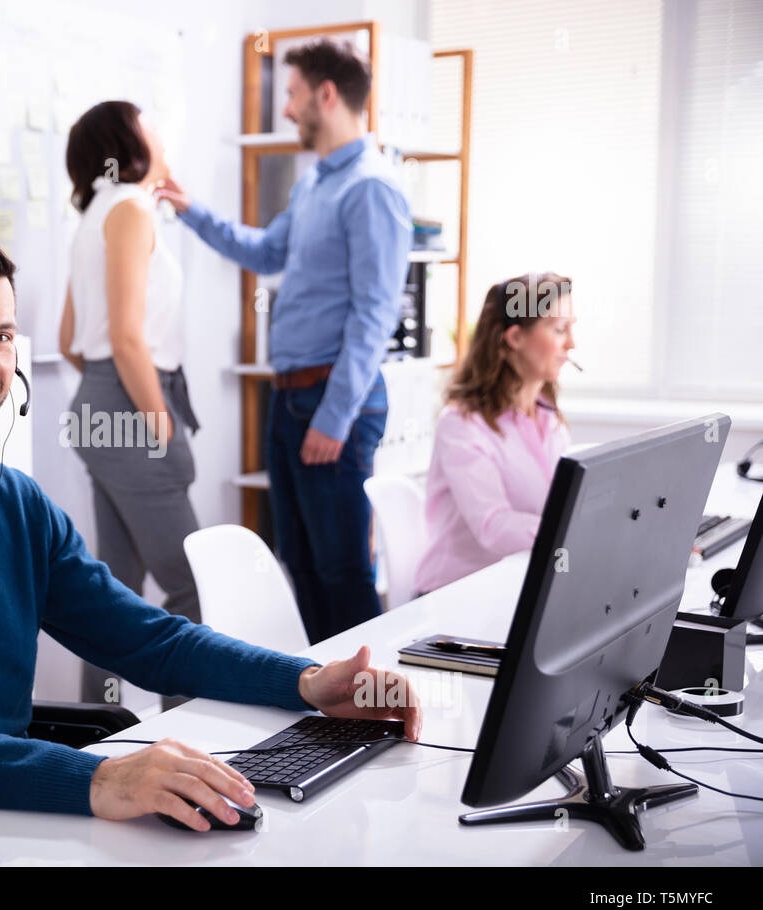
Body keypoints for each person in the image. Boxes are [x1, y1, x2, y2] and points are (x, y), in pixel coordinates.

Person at [0, 229, 421, 832]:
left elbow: (146, 638)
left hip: (9, 822)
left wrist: (308, 682)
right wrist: (100, 778)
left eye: (3, 335)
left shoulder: (14, 503)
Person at [156, 38, 412, 643]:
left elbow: (375, 314)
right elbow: (265, 251)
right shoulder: (314, 183)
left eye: (293, 95)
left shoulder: (372, 187)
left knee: (343, 570)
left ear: (327, 95)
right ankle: (331, 709)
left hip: (332, 400)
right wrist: (190, 210)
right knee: (299, 564)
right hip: (292, 397)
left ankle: (372, 706)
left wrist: (335, 416)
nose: (288, 110)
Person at [60, 100, 198, 707]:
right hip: (132, 399)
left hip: (100, 398)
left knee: (112, 592)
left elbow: (70, 340)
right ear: (128, 140)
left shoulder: (96, 212)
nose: (161, 132)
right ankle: (190, 733)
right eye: (150, 123)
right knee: (193, 583)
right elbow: (126, 335)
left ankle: (100, 728)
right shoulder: (133, 209)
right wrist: (158, 420)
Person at [413, 273, 576, 596]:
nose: (571, 344)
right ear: (514, 338)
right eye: (559, 330)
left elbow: (558, 505)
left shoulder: (548, 417)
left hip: (520, 585)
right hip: (456, 597)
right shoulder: (461, 424)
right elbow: (493, 526)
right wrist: (575, 534)